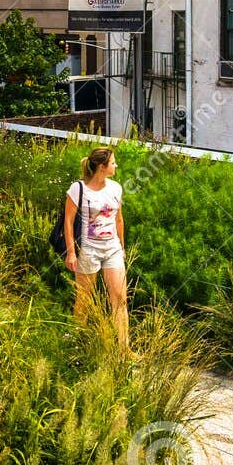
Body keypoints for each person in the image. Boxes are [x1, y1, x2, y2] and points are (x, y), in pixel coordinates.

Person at [63, 147, 129, 349]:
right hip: (88, 250)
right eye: (113, 163)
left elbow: (119, 219)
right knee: (84, 298)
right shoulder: (78, 188)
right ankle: (76, 343)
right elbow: (68, 221)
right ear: (102, 167)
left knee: (120, 299)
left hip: (112, 249)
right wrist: (71, 253)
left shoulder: (116, 188)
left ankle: (124, 349)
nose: (116, 165)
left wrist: (122, 248)